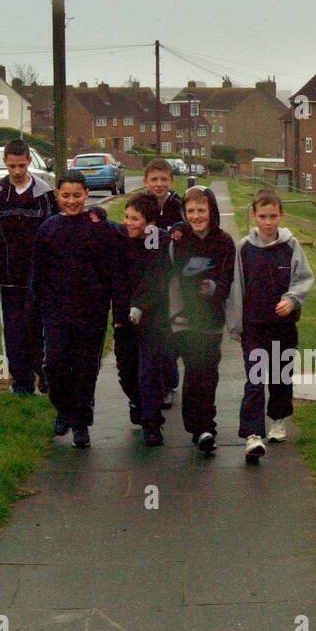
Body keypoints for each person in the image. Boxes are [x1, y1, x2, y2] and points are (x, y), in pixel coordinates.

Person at [29, 169, 124, 449]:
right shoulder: (48, 229)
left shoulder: (99, 226)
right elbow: (38, 273)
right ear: (57, 195)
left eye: (77, 195)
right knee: (55, 364)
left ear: (87, 194)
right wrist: (35, 308)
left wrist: (116, 308)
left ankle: (81, 422)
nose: (71, 201)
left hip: (91, 312)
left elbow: (122, 250)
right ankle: (63, 409)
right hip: (56, 311)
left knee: (85, 369)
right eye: (65, 195)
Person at [227, 188, 314, 464]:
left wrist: (292, 300)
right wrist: (236, 326)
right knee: (255, 378)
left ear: (281, 215)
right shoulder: (244, 248)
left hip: (283, 326)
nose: (268, 222)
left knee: (280, 375)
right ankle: (253, 435)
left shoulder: (291, 246)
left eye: (273, 216)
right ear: (253, 216)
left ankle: (277, 419)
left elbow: (303, 278)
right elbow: (236, 288)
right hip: (254, 326)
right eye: (262, 216)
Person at [0, 139, 58, 395]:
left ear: (29, 162)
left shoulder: (45, 194)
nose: (17, 171)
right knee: (15, 335)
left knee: (40, 330)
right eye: (12, 166)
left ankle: (43, 374)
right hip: (10, 279)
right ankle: (21, 383)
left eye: (21, 165)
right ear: (5, 163)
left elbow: (55, 235)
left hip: (40, 279)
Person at [168, 185, 235, 454]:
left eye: (201, 210)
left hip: (211, 318)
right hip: (184, 318)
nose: (196, 216)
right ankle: (200, 426)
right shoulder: (179, 238)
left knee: (209, 372)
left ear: (212, 211)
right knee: (195, 371)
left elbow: (228, 278)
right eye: (191, 211)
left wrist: (216, 288)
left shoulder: (224, 242)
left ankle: (205, 426)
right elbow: (169, 273)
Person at [113, 192, 172, 447]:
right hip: (124, 318)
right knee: (126, 370)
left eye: (134, 219)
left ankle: (152, 423)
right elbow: (117, 282)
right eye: (126, 217)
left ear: (149, 223)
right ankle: (136, 401)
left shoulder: (160, 245)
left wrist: (140, 307)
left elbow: (156, 281)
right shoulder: (121, 242)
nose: (128, 223)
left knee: (149, 370)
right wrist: (119, 315)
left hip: (153, 319)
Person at [141, 159, 183, 403]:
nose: (159, 184)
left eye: (163, 179)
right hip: (148, 278)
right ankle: (156, 382)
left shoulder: (178, 205)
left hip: (173, 278)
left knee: (169, 333)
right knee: (151, 335)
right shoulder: (140, 205)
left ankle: (168, 382)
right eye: (154, 180)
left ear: (171, 181)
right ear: (146, 182)